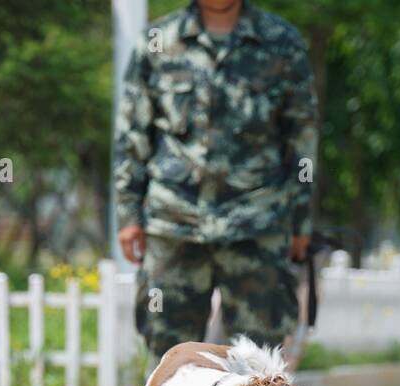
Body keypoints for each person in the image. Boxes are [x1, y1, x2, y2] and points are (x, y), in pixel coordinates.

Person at [113, 0, 318, 357]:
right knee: (170, 358)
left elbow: (301, 137)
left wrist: (301, 220)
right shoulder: (158, 42)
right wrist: (129, 214)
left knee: (260, 362)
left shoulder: (281, 42)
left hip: (257, 223)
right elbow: (133, 135)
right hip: (175, 225)